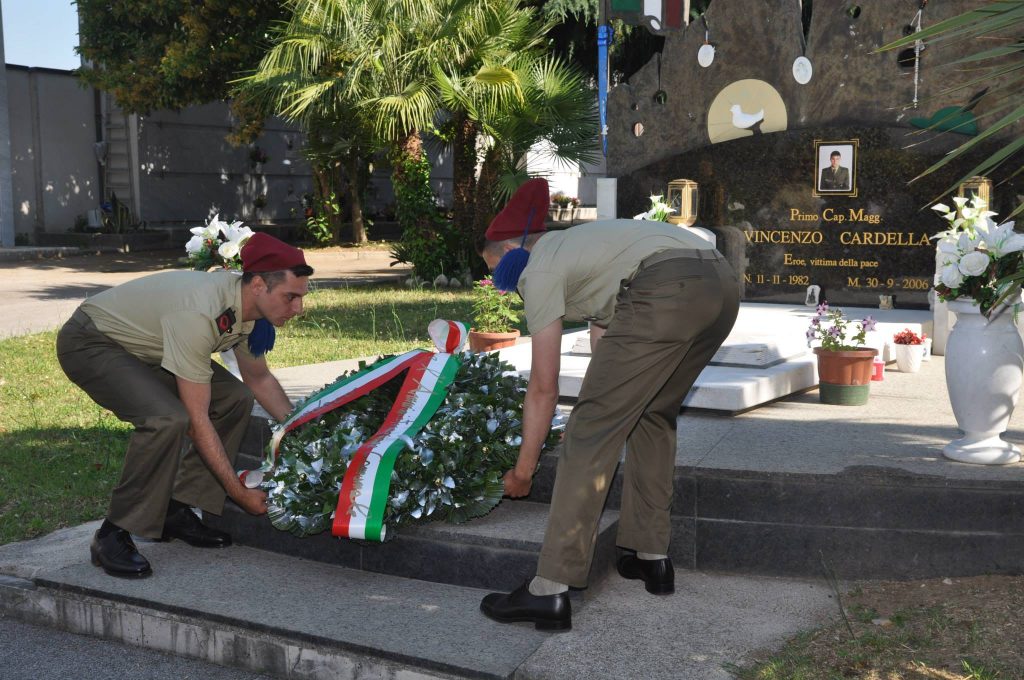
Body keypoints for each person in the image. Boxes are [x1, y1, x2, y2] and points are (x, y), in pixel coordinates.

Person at [477, 179, 740, 631]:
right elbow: (612, 353)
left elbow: (543, 386)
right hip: (721, 285)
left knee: (589, 431)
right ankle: (650, 557)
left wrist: (523, 471)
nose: (506, 285)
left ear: (513, 250)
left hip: (666, 286)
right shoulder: (586, 250)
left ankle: (550, 589)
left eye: (498, 270)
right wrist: (609, 406)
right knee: (652, 416)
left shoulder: (538, 268)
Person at [56, 233, 313, 578]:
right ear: (257, 286)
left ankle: (174, 511)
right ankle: (112, 533)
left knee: (237, 398)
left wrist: (307, 435)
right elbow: (196, 419)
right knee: (167, 419)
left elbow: (259, 380)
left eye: (301, 297)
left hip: (150, 351)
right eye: (290, 297)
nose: (298, 309)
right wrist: (238, 493)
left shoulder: (251, 312)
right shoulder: (201, 311)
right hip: (93, 342)